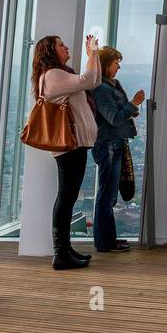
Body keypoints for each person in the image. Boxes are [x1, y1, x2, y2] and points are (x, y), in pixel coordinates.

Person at [33, 33, 101, 270]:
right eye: (60, 45)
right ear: (50, 51)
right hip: (69, 144)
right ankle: (60, 253)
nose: (65, 47)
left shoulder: (57, 73)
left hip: (74, 144)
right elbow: (88, 79)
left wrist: (94, 56)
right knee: (66, 196)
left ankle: (65, 249)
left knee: (68, 196)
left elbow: (94, 80)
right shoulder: (53, 75)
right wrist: (92, 54)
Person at [91, 46, 144, 251]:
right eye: (115, 62)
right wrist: (133, 104)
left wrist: (130, 109)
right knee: (107, 195)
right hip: (108, 144)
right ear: (105, 64)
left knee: (109, 195)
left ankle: (108, 239)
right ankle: (105, 243)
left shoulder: (112, 85)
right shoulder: (102, 89)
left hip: (115, 143)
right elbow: (113, 117)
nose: (119, 66)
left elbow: (118, 113)